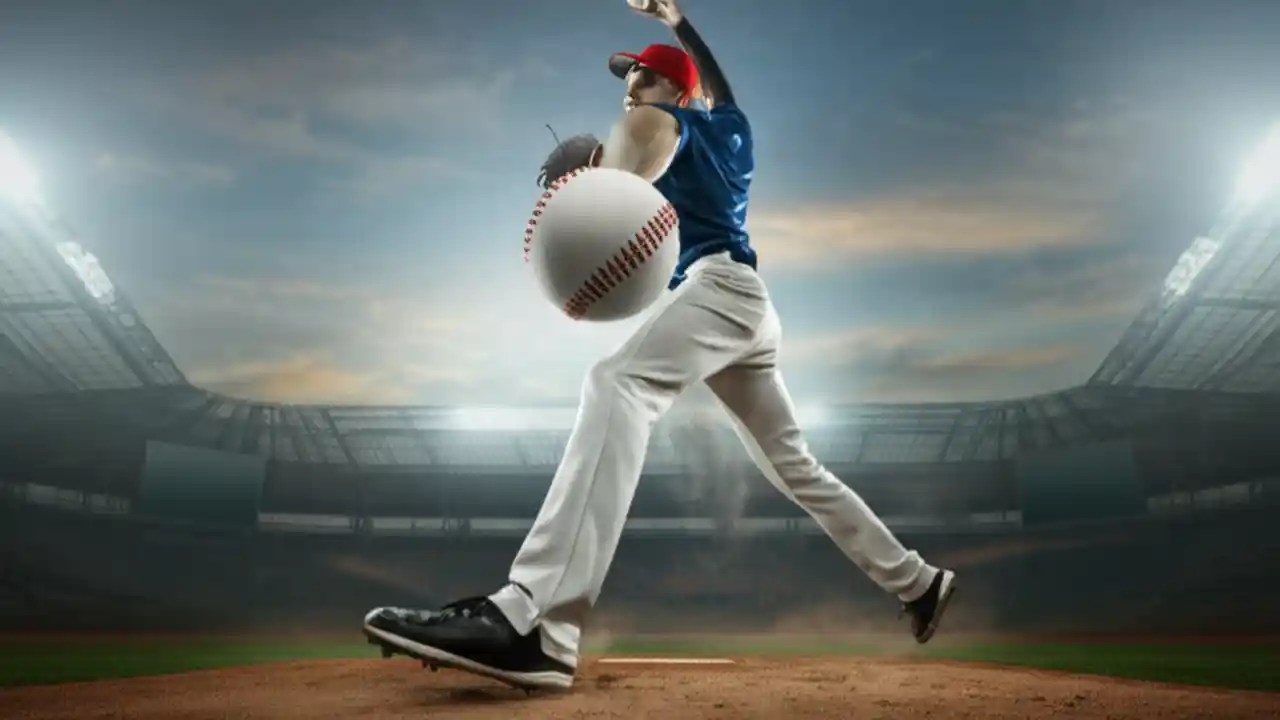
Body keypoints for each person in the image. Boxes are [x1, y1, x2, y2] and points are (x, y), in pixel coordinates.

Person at [364, 0, 957, 691]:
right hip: (747, 306)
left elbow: (641, 155)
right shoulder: (731, 129)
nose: (631, 89)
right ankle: (918, 581)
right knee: (797, 467)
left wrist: (594, 176)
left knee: (616, 384)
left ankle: (537, 621)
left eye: (643, 77)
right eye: (629, 80)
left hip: (716, 288)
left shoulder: (657, 124)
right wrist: (678, 24)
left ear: (676, 91)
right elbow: (719, 93)